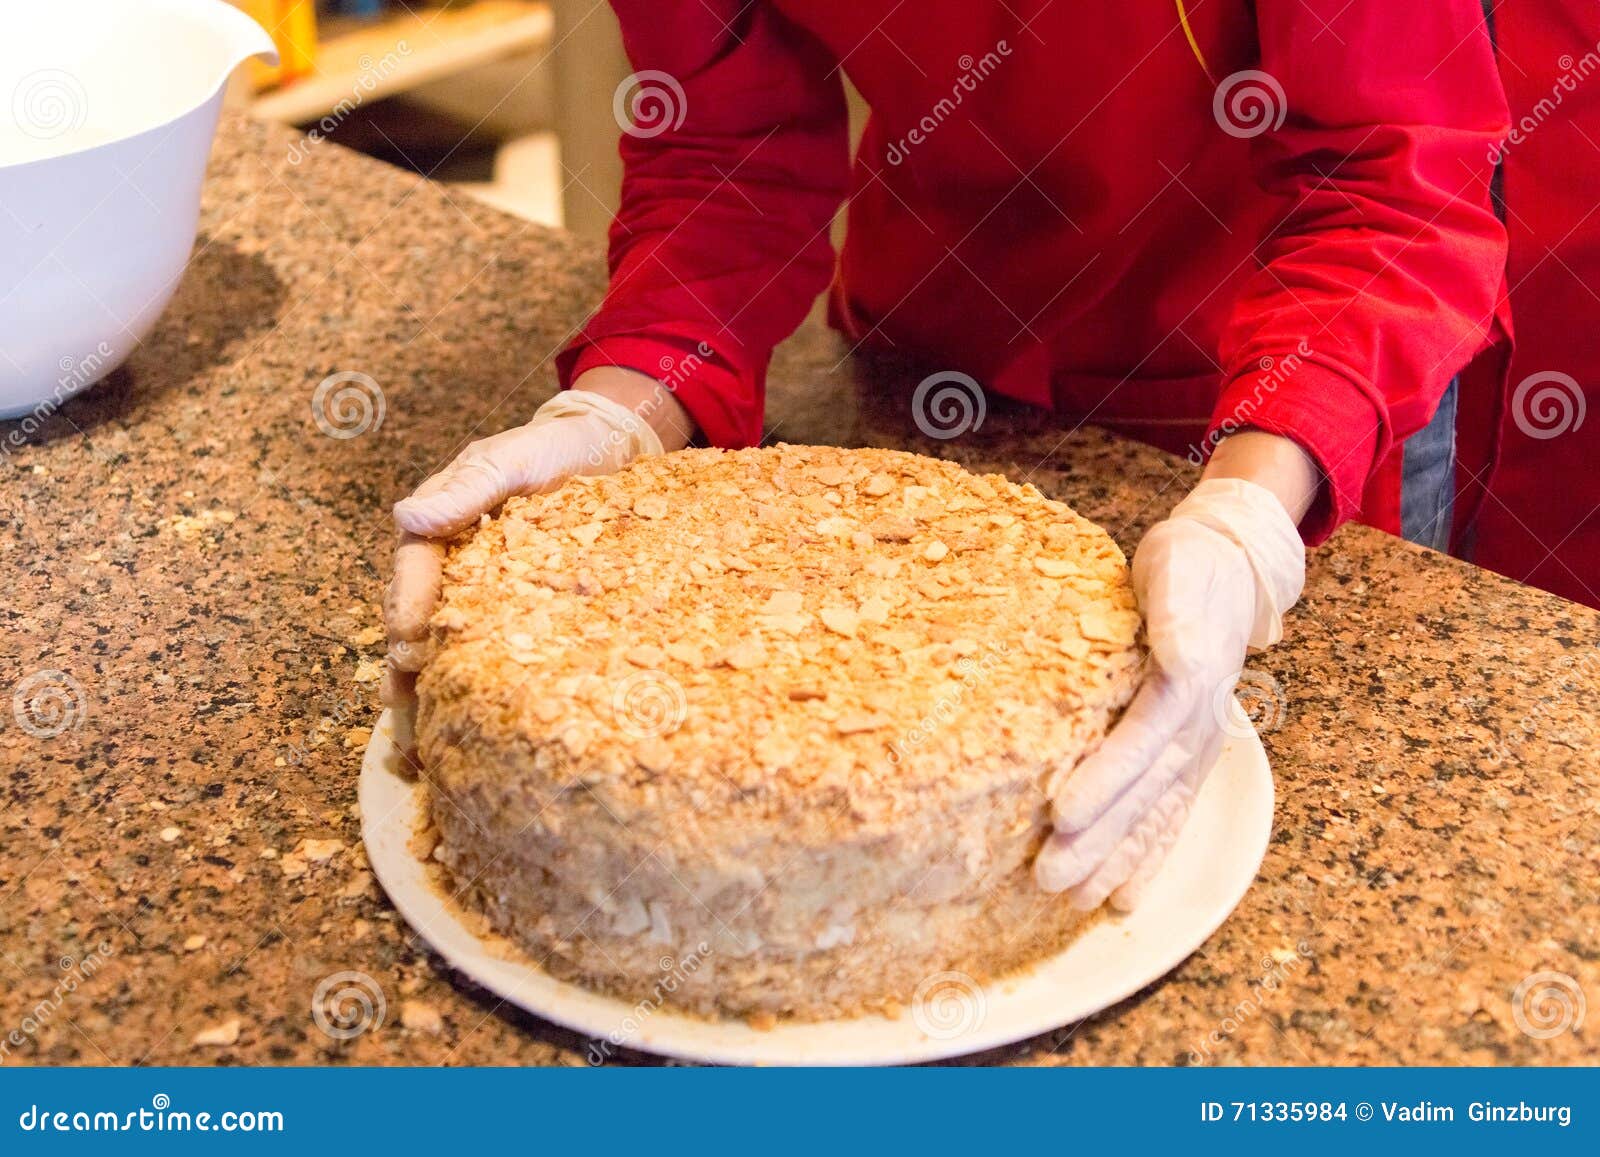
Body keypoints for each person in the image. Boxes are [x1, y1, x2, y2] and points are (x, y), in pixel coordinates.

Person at [384, 2, 1509, 912]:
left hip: (1292, 373)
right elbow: (727, 142)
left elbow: (1393, 180)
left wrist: (1246, 521)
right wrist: (625, 402)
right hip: (930, 342)